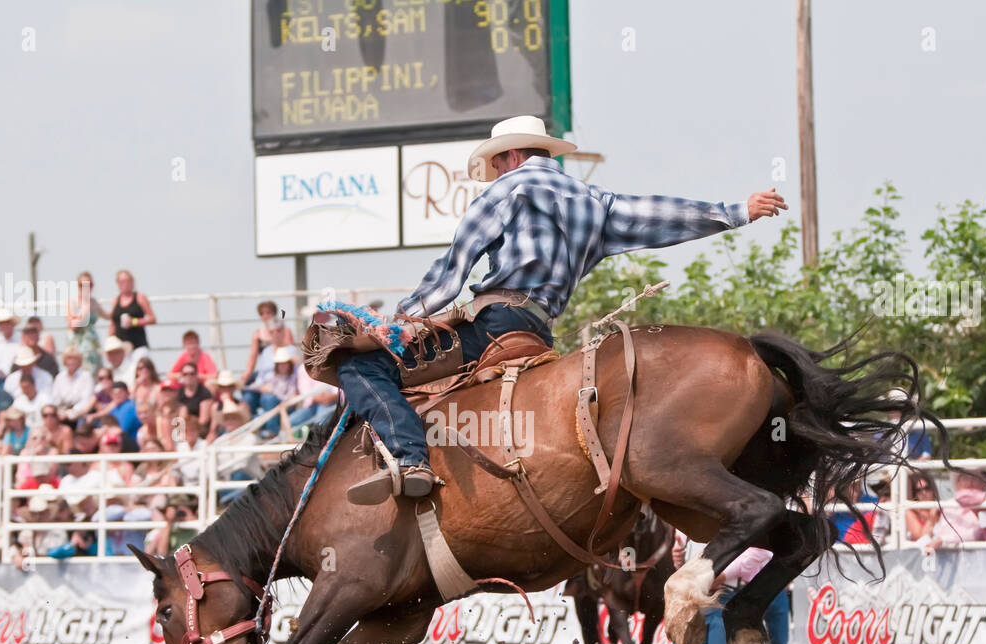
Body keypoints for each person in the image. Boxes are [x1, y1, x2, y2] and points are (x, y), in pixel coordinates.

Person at [336, 115, 786, 505]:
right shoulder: (594, 202)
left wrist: (401, 322)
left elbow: (453, 268)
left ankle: (411, 458)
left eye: (496, 164)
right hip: (539, 331)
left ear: (510, 156)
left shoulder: (506, 191)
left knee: (361, 368)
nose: (495, 172)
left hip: (493, 325)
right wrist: (735, 211)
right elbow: (656, 216)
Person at [109, 269, 156, 358]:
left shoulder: (140, 297)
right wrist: (110, 341)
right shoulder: (115, 300)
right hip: (121, 348)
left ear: (132, 282)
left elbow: (152, 318)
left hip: (138, 345)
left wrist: (134, 322)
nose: (125, 284)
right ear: (118, 283)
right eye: (122, 281)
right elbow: (112, 324)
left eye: (127, 280)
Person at [65, 271, 105, 373]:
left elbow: (108, 316)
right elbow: (72, 325)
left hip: (93, 346)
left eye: (89, 284)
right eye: (83, 285)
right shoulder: (73, 303)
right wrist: (85, 310)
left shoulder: (95, 302)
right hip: (79, 346)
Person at [50, 346, 94, 423]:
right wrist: (61, 412)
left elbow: (86, 400)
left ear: (79, 361)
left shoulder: (86, 376)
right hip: (62, 413)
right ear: (65, 361)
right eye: (69, 359)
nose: (72, 362)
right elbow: (55, 398)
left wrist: (71, 412)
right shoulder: (60, 377)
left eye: (75, 359)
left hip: (80, 414)